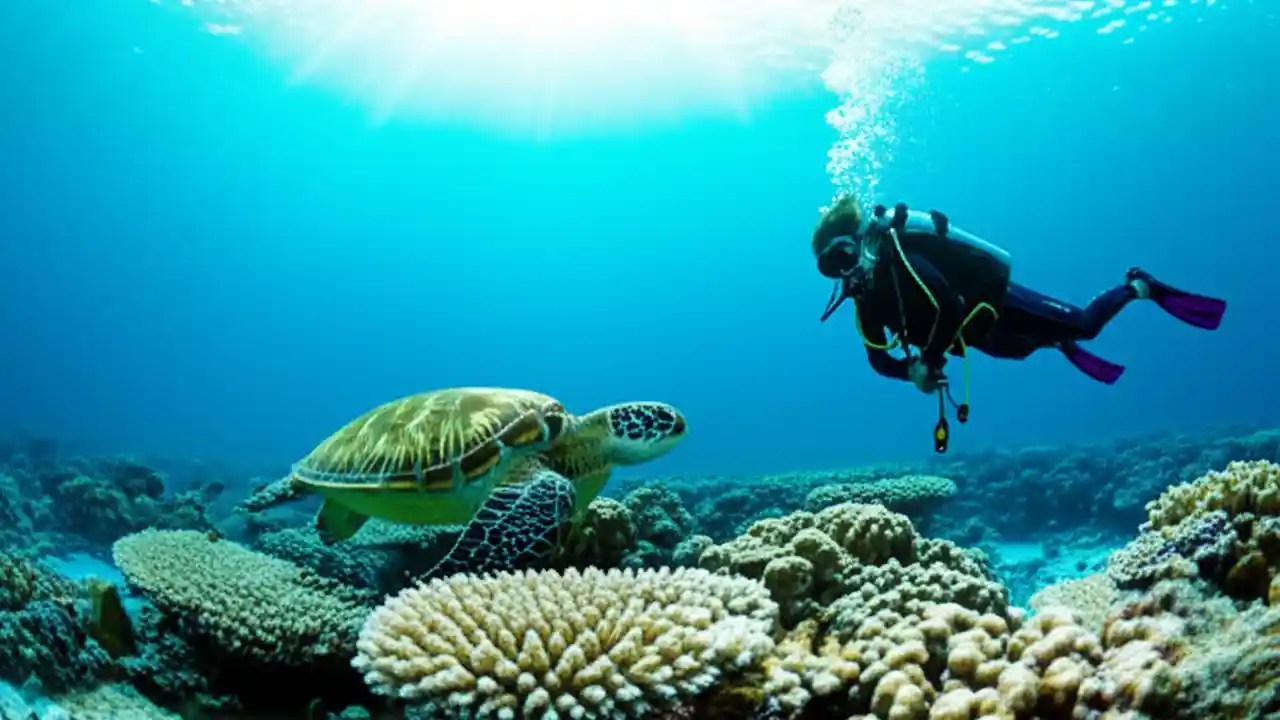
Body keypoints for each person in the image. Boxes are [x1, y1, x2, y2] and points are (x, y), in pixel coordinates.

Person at [811, 197, 1227, 419]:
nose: (843, 271)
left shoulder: (903, 260)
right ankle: (1053, 338)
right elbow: (877, 359)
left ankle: (1139, 286)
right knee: (1018, 352)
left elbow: (948, 310)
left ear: (862, 239)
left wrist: (930, 359)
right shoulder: (865, 296)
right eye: (831, 266)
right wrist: (910, 372)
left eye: (844, 254)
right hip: (976, 331)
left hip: (990, 302)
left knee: (1084, 326)